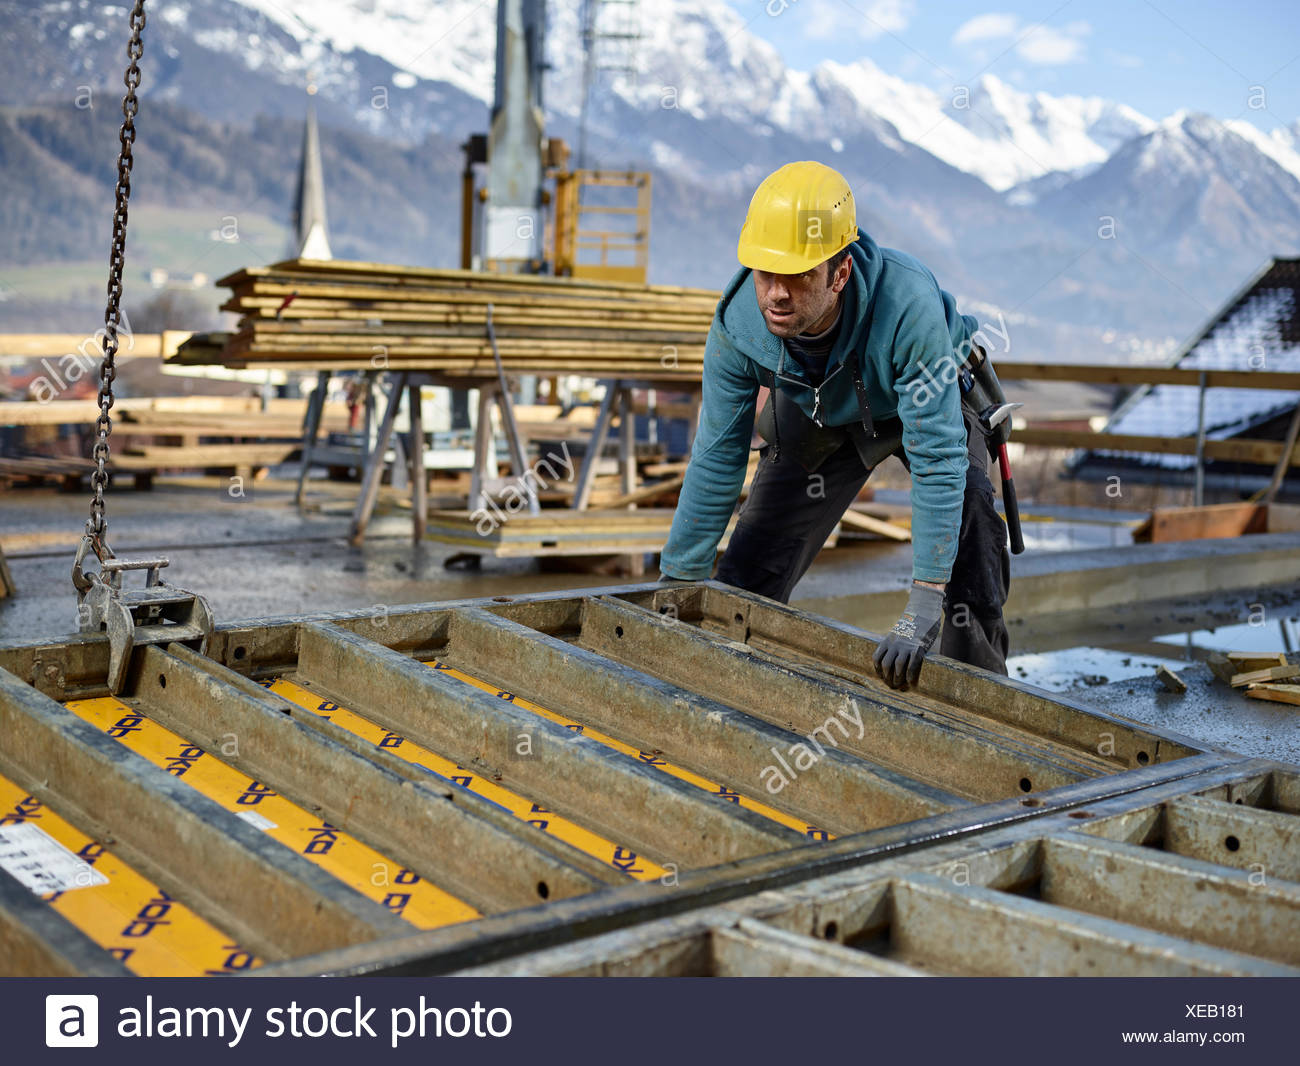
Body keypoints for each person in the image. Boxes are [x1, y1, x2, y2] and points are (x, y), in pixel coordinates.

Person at [658, 161, 1010, 691]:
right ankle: (726, 680)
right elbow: (716, 456)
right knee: (753, 559)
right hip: (821, 405)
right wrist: (679, 582)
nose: (776, 294)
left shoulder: (907, 308)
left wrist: (921, 603)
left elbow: (938, 460)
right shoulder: (739, 329)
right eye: (765, 273)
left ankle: (977, 697)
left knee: (970, 510)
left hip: (919, 393)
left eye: (797, 276)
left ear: (839, 274)